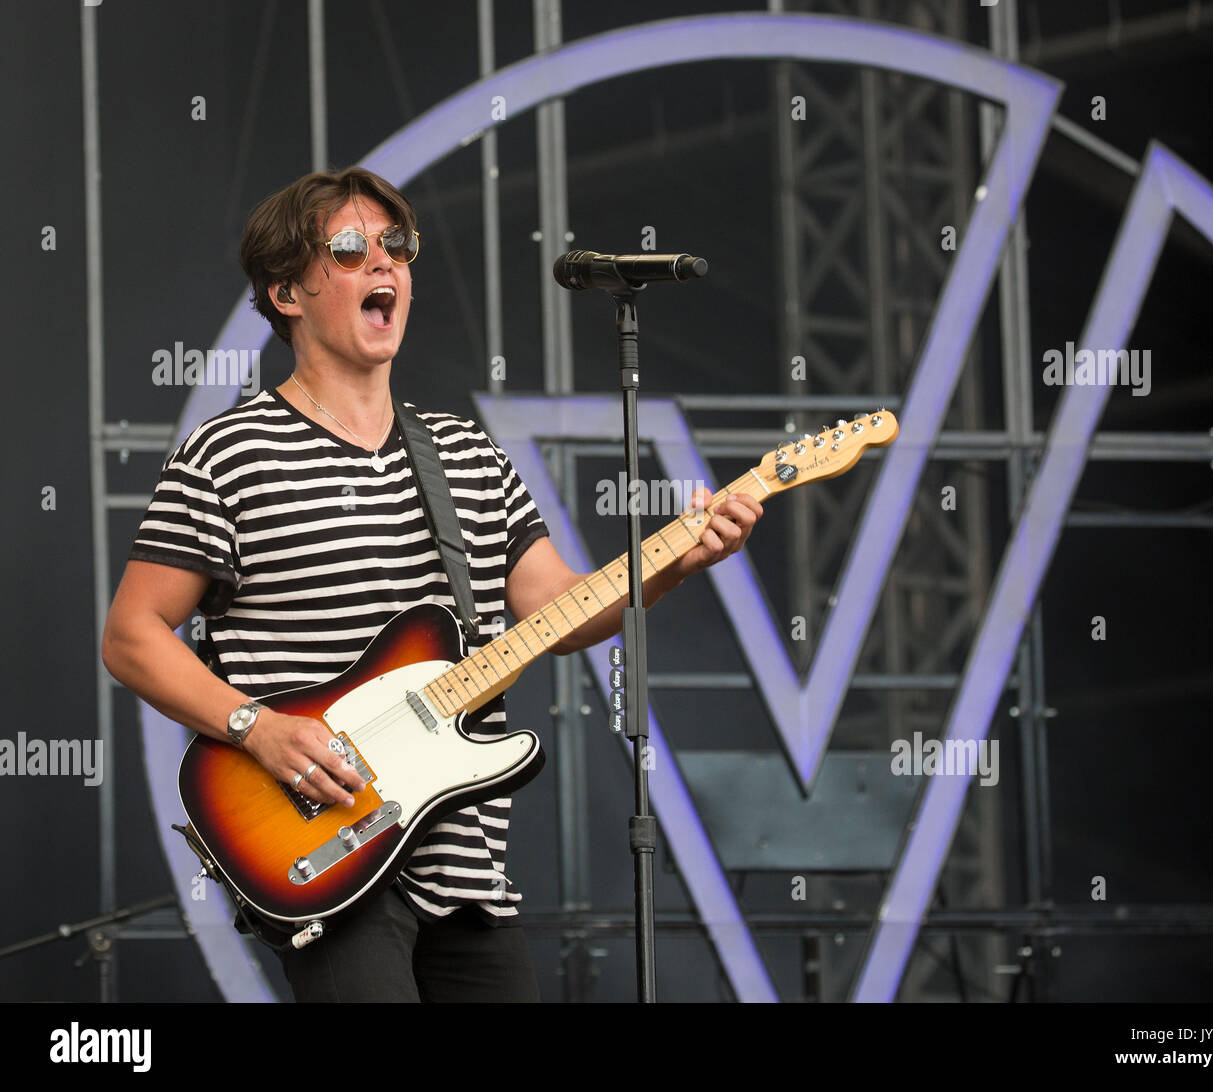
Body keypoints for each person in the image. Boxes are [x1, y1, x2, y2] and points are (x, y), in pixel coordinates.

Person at [101, 166, 763, 1002]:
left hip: (467, 867)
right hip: (330, 849)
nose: (384, 264)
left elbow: (559, 611)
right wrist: (258, 729)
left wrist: (679, 560)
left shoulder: (466, 454)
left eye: (397, 246)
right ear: (287, 293)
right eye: (349, 249)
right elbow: (131, 637)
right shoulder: (227, 455)